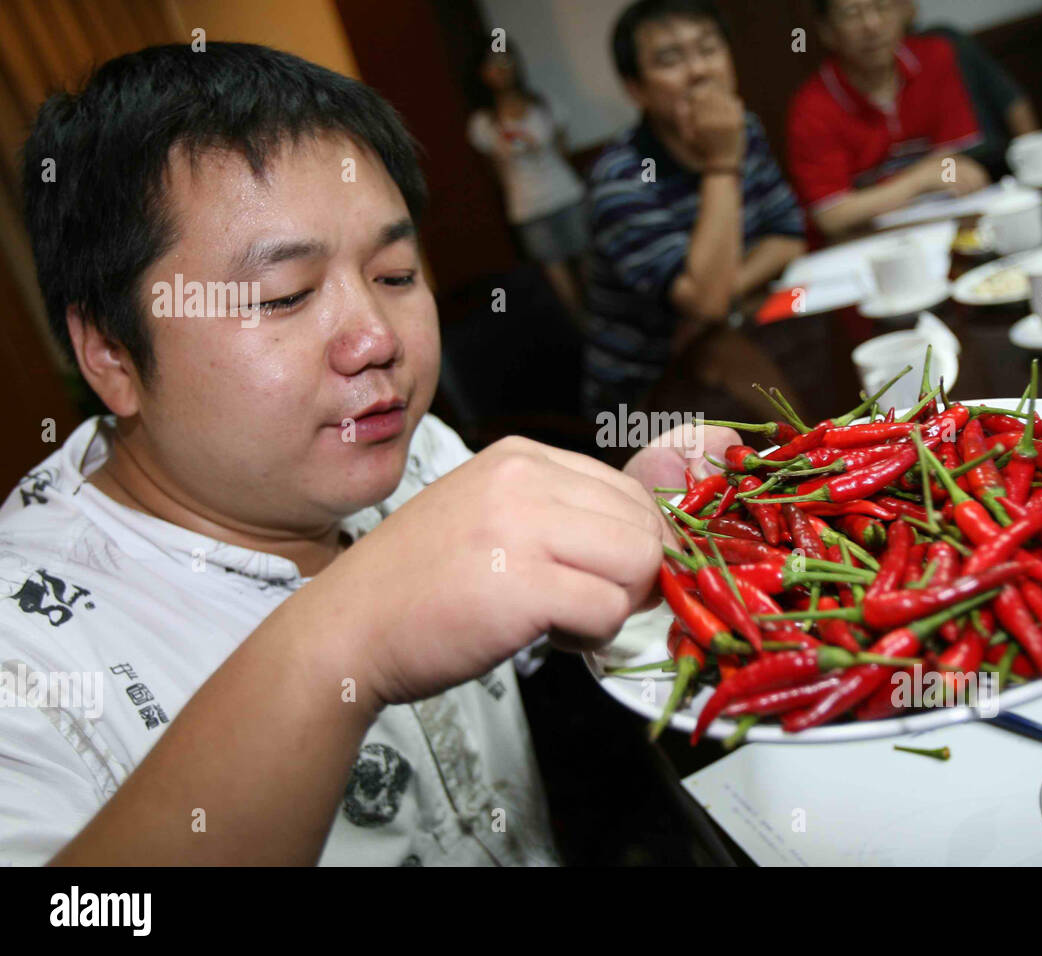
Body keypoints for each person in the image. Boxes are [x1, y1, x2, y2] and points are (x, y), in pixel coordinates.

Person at [0, 42, 735, 866]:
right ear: (109, 354)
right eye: (282, 296)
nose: (377, 341)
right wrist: (337, 642)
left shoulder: (407, 447)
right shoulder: (26, 656)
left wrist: (627, 524)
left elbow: (519, 615)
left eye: (394, 274)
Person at [582, 0, 807, 419]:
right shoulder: (622, 179)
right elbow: (707, 301)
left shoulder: (745, 130)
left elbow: (789, 236)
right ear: (637, 89)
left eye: (708, 48)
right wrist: (722, 162)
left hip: (735, 345)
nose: (699, 70)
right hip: (642, 403)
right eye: (671, 59)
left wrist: (725, 288)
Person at [787, 0, 992, 240]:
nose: (871, 25)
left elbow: (955, 164)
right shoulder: (811, 107)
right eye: (851, 13)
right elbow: (832, 216)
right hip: (865, 243)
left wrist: (940, 174)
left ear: (904, 10)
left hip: (943, 224)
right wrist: (920, 179)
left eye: (882, 7)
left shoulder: (935, 57)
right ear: (827, 32)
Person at [466, 39, 589, 319]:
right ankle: (584, 333)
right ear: (482, 73)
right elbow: (495, 171)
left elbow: (563, 151)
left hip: (566, 194)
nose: (501, 69)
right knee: (557, 278)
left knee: (591, 267)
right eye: (492, 64)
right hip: (527, 207)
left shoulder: (544, 105)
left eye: (506, 60)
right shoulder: (482, 124)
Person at [917, 25, 1039, 178]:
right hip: (937, 174)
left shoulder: (943, 43)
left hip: (989, 158)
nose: (877, 25)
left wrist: (1035, 158)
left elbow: (1011, 99)